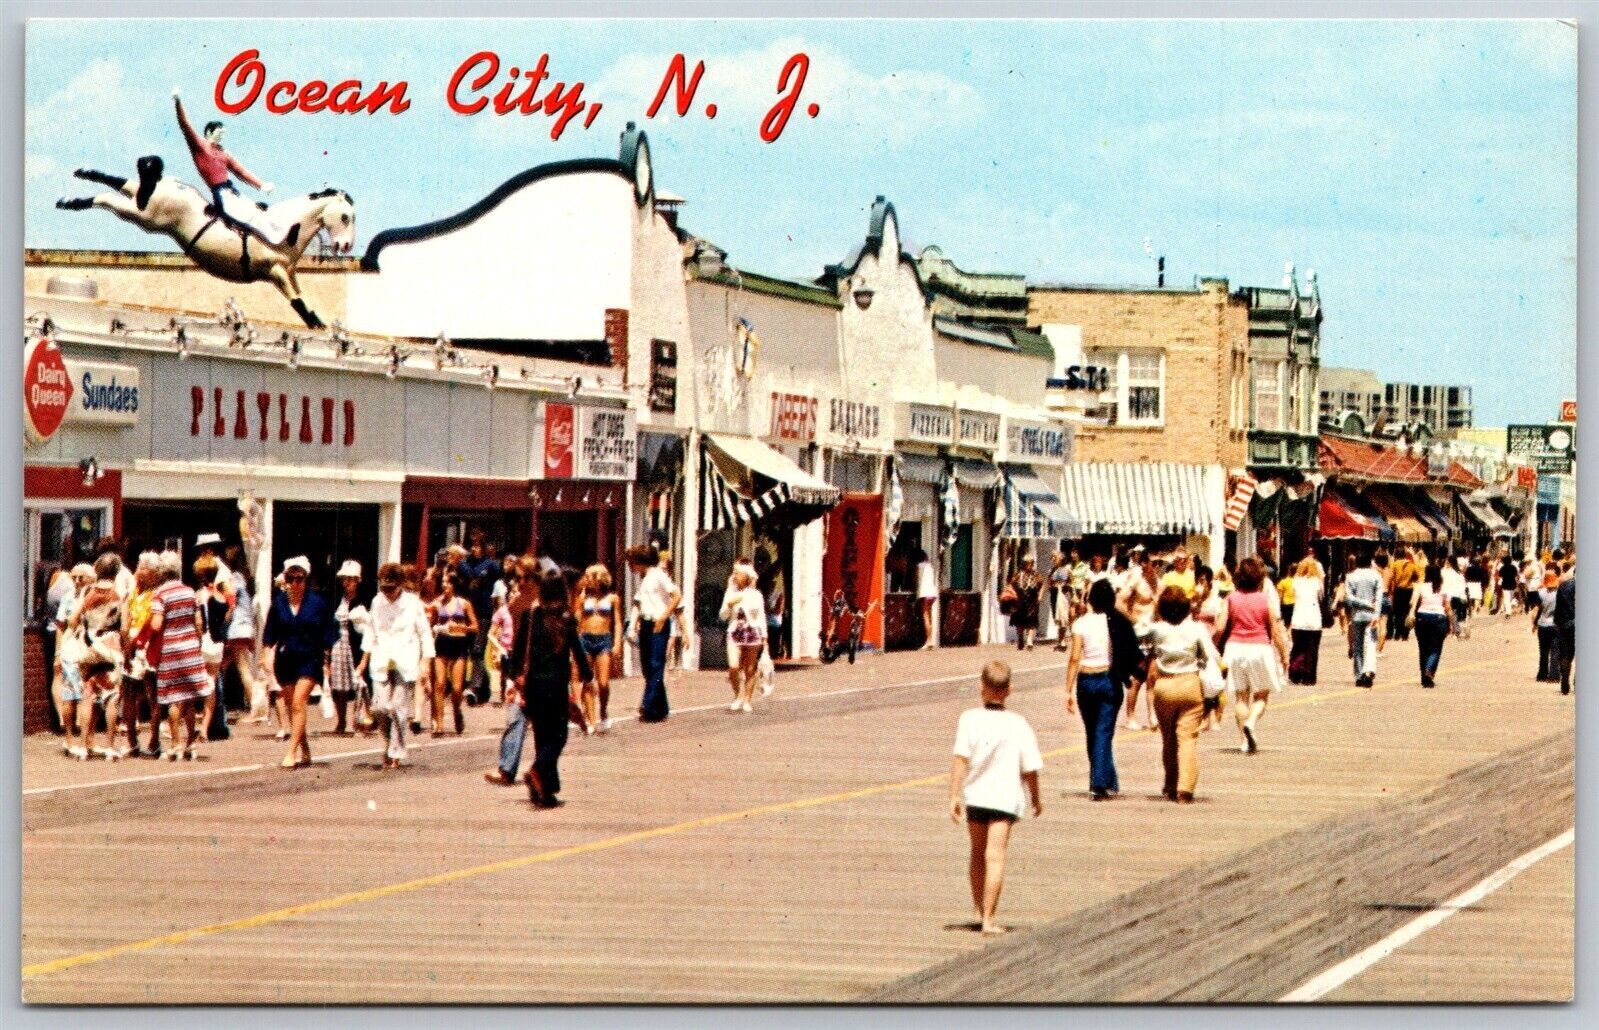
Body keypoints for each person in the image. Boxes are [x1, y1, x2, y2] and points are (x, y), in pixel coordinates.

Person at [949, 661, 1043, 935]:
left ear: (981, 687)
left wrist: (954, 794)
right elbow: (1030, 768)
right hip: (1005, 798)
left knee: (977, 853)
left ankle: (979, 910)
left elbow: (960, 759)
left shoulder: (969, 719)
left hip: (976, 796)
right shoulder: (1019, 724)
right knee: (996, 856)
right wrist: (1036, 798)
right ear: (1009, 690)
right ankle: (989, 918)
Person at [510, 573, 594, 808]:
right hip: (556, 686)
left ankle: (545, 791)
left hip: (533, 686)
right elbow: (577, 650)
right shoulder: (566, 618)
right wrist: (587, 676)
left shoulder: (530, 616)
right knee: (558, 736)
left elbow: (518, 651)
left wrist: (514, 677)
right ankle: (537, 771)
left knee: (542, 736)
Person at [171, 90, 288, 244]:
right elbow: (185, 124)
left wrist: (261, 185)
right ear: (209, 132)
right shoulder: (200, 146)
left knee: (257, 211)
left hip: (232, 192)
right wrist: (178, 101)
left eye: (224, 133)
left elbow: (241, 171)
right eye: (219, 133)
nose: (222, 136)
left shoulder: (224, 153)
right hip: (221, 195)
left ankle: (279, 237)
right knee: (245, 216)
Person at [1145, 587, 1223, 801]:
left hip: (1164, 687)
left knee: (1168, 738)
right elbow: (1209, 656)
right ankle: (1185, 788)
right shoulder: (1197, 629)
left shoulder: (1156, 630)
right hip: (1190, 685)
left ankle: (1170, 783)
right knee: (1187, 739)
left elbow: (1140, 642)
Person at [1064, 579, 1139, 800]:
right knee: (1103, 732)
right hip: (1108, 679)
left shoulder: (1080, 623)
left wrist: (1068, 690)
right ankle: (1099, 783)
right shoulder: (1115, 622)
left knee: (1092, 732)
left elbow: (1074, 657)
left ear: (1090, 599)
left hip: (1086, 680)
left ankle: (1106, 780)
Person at [262, 556, 337, 770]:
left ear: (306, 579)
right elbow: (270, 632)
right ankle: (304, 747)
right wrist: (266, 654)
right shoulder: (279, 603)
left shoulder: (317, 603)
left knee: (298, 703)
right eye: (291, 579)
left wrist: (326, 660)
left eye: (299, 579)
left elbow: (329, 633)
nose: (295, 583)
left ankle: (291, 752)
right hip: (286, 659)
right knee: (291, 705)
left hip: (310, 659)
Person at [1215, 557, 1289, 754]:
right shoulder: (1265, 600)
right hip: (1259, 648)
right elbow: (1275, 632)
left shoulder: (1230, 599)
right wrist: (1284, 656)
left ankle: (1244, 741)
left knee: (1241, 697)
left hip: (1234, 648)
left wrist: (1213, 647)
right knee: (1262, 695)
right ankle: (1252, 722)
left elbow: (1220, 628)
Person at [364, 562, 434, 769]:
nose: (387, 593)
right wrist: (363, 661)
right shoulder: (377, 602)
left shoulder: (413, 604)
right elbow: (370, 631)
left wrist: (425, 663)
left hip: (406, 660)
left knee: (397, 708)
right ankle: (389, 741)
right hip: (382, 660)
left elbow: (425, 633)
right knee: (379, 708)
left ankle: (395, 751)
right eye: (384, 588)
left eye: (391, 588)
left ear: (401, 585)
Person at [149, 551, 212, 762]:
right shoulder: (189, 592)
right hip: (191, 648)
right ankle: (190, 743)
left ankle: (176, 744)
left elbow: (156, 625)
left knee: (174, 699)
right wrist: (196, 641)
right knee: (190, 698)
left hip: (171, 650)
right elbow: (199, 623)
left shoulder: (159, 595)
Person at [69, 554, 127, 759]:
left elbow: (73, 619)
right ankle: (110, 746)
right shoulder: (120, 593)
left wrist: (81, 632)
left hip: (89, 646)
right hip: (110, 647)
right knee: (112, 695)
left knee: (88, 694)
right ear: (116, 571)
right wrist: (126, 648)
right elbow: (124, 627)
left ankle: (84, 746)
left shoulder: (87, 591)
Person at [628, 545, 680, 723]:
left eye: (632, 562)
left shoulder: (658, 575)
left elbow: (676, 596)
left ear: (640, 561)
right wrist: (633, 625)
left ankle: (648, 704)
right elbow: (639, 604)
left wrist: (664, 617)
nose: (630, 566)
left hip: (658, 623)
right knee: (647, 666)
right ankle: (661, 707)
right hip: (646, 623)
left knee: (656, 663)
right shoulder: (645, 578)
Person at [52, 564, 95, 758]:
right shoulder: (68, 598)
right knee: (70, 694)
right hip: (72, 648)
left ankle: (87, 740)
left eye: (81, 577)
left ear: (91, 578)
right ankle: (69, 737)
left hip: (90, 649)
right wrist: (58, 653)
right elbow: (60, 627)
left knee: (88, 695)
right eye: (74, 577)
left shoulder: (95, 596)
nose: (77, 581)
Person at [427, 572, 478, 735]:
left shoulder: (463, 604)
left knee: (456, 688)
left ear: (454, 585)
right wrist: (434, 628)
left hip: (459, 644)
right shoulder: (436, 604)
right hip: (442, 644)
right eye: (443, 582)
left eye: (448, 582)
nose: (445, 585)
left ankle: (457, 711)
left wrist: (462, 627)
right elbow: (430, 625)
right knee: (439, 684)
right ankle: (439, 723)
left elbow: (475, 627)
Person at [575, 564, 621, 732]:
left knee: (603, 683)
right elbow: (577, 621)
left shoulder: (612, 598)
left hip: (603, 639)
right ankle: (592, 720)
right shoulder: (583, 598)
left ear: (598, 578)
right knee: (587, 680)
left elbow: (617, 622)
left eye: (589, 577)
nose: (586, 580)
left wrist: (617, 643)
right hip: (585, 639)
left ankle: (603, 710)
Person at [326, 560, 370, 735]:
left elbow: (369, 627)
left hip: (356, 644)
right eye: (344, 579)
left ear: (357, 580)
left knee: (359, 684)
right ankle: (341, 720)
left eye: (350, 579)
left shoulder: (364, 600)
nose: (346, 583)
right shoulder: (337, 598)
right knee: (339, 685)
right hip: (339, 643)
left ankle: (359, 720)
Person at [720, 561, 768, 713]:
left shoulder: (756, 595)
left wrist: (765, 639)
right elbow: (723, 616)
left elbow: (761, 617)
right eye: (734, 573)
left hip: (752, 633)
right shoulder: (730, 593)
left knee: (750, 669)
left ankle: (747, 699)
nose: (734, 576)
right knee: (733, 666)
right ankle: (737, 695)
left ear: (746, 576)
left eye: (737, 573)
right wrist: (728, 606)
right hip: (735, 632)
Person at [192, 555, 231, 741]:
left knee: (195, 685)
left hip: (203, 642)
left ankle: (193, 723)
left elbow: (199, 622)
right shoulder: (221, 595)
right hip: (217, 644)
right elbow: (227, 615)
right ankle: (205, 729)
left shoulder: (200, 595)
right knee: (211, 685)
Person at [1408, 564, 1455, 688]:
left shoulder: (1420, 587)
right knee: (1435, 649)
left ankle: (1424, 677)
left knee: (1423, 649)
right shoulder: (1443, 588)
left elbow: (1413, 602)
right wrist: (1452, 624)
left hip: (1422, 617)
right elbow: (1448, 608)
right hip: (1439, 619)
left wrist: (1412, 613)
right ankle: (1429, 671)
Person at [1344, 552, 1386, 687]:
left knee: (1357, 646)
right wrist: (1376, 614)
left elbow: (1349, 599)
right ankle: (1368, 672)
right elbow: (1379, 598)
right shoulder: (1376, 576)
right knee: (1370, 644)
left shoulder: (1350, 577)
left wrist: (1363, 603)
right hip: (1371, 616)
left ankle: (1359, 675)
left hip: (1356, 615)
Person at [1288, 557, 1325, 686]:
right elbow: (1321, 597)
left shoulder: (1296, 582)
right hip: (1314, 619)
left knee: (1298, 648)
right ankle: (1309, 677)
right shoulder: (1317, 582)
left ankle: (1295, 673)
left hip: (1298, 619)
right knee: (1312, 650)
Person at [1007, 555, 1044, 651]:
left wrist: (1040, 596)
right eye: (1027, 563)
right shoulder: (1018, 574)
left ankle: (1029, 640)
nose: (1029, 565)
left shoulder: (1036, 574)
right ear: (1023, 564)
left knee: (1031, 620)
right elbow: (1011, 584)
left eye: (1031, 563)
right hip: (1019, 600)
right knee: (1019, 621)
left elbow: (1042, 585)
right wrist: (1012, 594)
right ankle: (1020, 638)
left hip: (1032, 600)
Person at [1532, 568, 1561, 683]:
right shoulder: (1559, 594)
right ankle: (1554, 675)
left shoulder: (1540, 593)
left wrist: (1535, 623)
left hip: (1542, 625)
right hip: (1555, 625)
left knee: (1543, 651)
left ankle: (1542, 674)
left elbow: (1538, 610)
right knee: (1555, 651)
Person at [1388, 546, 1419, 641]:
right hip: (1409, 590)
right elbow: (1417, 576)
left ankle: (1397, 634)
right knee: (1406, 612)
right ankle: (1405, 634)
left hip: (1398, 590)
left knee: (1398, 613)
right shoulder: (1411, 564)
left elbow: (1391, 577)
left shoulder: (1394, 564)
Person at [1554, 559, 1575, 696]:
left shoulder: (1563, 586)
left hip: (1565, 624)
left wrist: (1557, 622)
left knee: (1565, 654)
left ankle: (1564, 682)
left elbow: (1558, 607)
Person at [915, 545, 939, 650]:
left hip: (925, 593)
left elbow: (916, 579)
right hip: (932, 593)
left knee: (925, 616)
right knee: (929, 615)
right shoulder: (930, 566)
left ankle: (929, 640)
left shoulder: (919, 566)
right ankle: (931, 639)